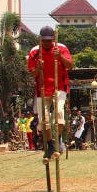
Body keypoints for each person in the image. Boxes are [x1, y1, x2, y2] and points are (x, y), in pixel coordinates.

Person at [27, 26, 73, 158]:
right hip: (42, 89)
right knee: (44, 119)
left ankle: (57, 138)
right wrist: (38, 67)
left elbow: (70, 66)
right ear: (41, 40)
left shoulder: (61, 48)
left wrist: (60, 57)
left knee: (59, 113)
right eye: (45, 41)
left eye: (49, 40)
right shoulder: (35, 52)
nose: (47, 43)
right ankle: (49, 143)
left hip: (59, 87)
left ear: (53, 39)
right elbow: (32, 74)